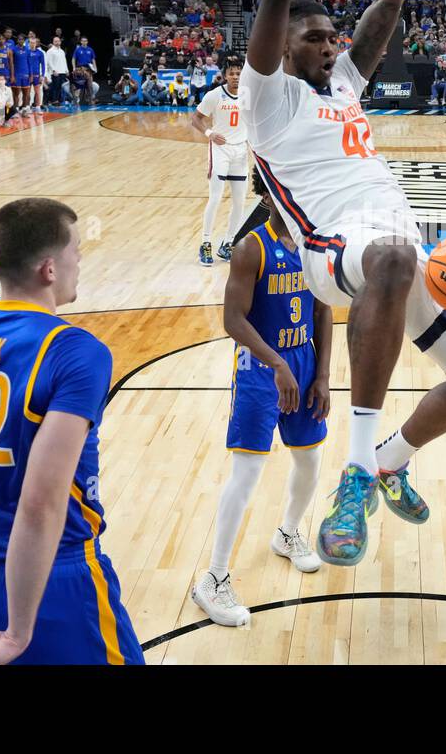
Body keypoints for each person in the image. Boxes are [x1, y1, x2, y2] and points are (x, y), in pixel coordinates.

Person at [241, 0, 446, 567]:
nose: (331, 46)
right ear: (283, 45)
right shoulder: (268, 96)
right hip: (333, 254)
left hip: (396, 247)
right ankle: (357, 470)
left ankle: (392, 458)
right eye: (317, 39)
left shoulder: (344, 87)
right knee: (390, 255)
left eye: (334, 38)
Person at [0, 198, 144, 665]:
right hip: (50, 579)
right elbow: (41, 502)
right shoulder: (74, 350)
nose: (80, 261)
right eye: (77, 250)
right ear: (49, 268)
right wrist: (17, 630)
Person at [192, 168, 333, 625]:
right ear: (268, 196)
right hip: (260, 368)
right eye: (285, 194)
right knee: (248, 471)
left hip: (305, 364)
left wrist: (323, 374)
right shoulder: (252, 247)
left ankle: (288, 533)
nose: (296, 202)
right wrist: (276, 364)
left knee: (310, 461)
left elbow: (324, 309)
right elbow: (233, 320)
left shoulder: (315, 245)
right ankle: (212, 579)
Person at [190, 56, 247, 266]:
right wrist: (209, 133)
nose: (235, 77)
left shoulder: (247, 94)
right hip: (220, 150)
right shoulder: (214, 95)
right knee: (215, 198)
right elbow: (195, 118)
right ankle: (205, 243)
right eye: (232, 73)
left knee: (240, 202)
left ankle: (228, 244)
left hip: (240, 152)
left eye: (239, 73)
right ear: (224, 75)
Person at [46, 35, 70, 106]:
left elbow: (64, 61)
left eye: (58, 41)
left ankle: (58, 100)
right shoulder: (50, 51)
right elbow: (49, 62)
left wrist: (67, 70)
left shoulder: (62, 51)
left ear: (60, 42)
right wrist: (53, 70)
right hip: (55, 72)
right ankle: (54, 100)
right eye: (55, 41)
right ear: (53, 42)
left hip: (62, 71)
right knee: (55, 87)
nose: (57, 42)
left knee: (60, 87)